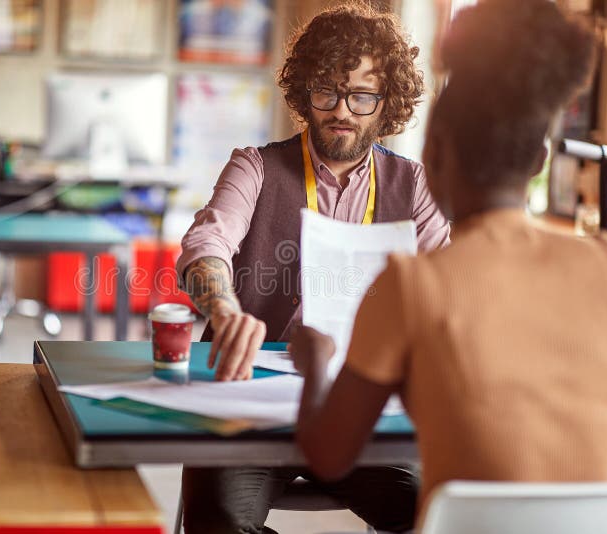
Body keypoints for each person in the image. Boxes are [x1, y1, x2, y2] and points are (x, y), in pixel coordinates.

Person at [289, 0, 607, 527]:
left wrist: (315, 365)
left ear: (434, 155)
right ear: (539, 160)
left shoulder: (411, 285)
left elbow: (329, 456)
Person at [176, 3, 450, 532]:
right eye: (327, 91)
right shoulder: (255, 166)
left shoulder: (414, 186)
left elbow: (448, 285)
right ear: (305, 93)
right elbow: (205, 245)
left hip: (364, 406)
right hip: (249, 402)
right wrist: (224, 309)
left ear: (387, 102)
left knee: (435, 513)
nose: (342, 110)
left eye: (362, 96)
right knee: (219, 522)